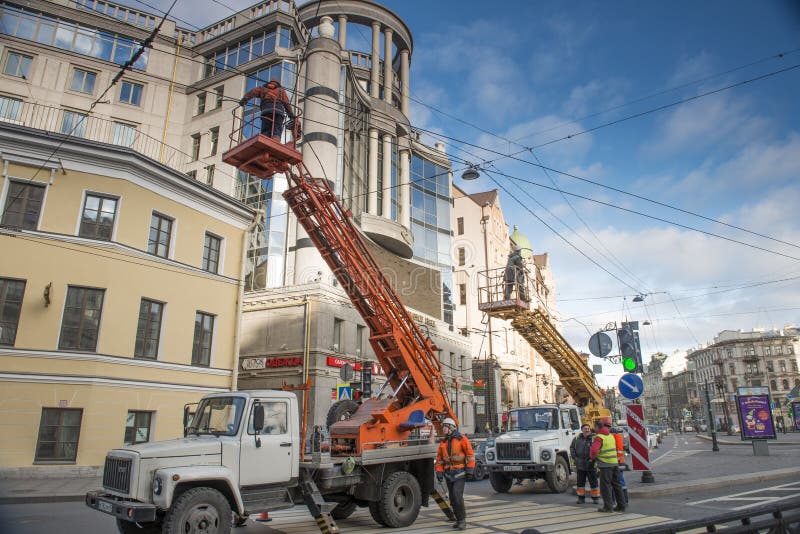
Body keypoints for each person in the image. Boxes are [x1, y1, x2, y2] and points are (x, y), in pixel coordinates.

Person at [436, 417, 475, 530]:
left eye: (445, 427)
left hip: (460, 473)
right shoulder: (443, 443)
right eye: (443, 427)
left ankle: (462, 521)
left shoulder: (462, 439)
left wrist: (470, 470)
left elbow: (470, 455)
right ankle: (458, 520)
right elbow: (439, 459)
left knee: (457, 496)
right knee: (452, 498)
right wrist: (439, 472)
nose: (443, 429)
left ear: (451, 428)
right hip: (449, 474)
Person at [590, 417, 626, 513]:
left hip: (605, 466)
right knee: (617, 486)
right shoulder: (610, 436)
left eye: (595, 427)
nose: (594, 429)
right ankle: (621, 506)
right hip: (614, 464)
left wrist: (592, 458)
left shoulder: (599, 437)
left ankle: (608, 507)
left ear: (598, 427)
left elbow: (594, 451)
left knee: (605, 487)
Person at [569, 424, 599, 504]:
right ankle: (581, 498)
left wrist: (593, 460)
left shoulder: (594, 438)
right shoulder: (576, 438)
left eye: (588, 428)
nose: (587, 430)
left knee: (593, 482)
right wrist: (575, 458)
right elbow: (572, 448)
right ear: (582, 430)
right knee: (580, 483)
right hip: (580, 464)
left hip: (591, 464)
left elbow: (597, 450)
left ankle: (595, 498)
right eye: (585, 428)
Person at [612, 428, 629, 507]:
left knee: (618, 482)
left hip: (616, 463)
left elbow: (618, 452)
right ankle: (625, 501)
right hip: (620, 463)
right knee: (621, 482)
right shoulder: (618, 437)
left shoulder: (614, 437)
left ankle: (622, 501)